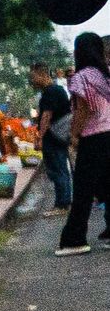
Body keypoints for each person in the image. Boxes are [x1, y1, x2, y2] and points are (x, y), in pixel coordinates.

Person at [56, 33, 110, 254]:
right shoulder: (105, 75)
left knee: (83, 190)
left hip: (93, 138)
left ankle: (75, 239)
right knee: (107, 186)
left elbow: (83, 109)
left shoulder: (82, 77)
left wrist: (74, 136)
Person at [33, 62, 74, 210]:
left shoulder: (51, 92)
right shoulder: (58, 90)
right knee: (61, 168)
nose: (32, 81)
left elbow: (46, 116)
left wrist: (40, 137)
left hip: (53, 136)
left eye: (33, 77)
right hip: (60, 136)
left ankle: (62, 204)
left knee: (57, 169)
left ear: (41, 74)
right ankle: (64, 202)